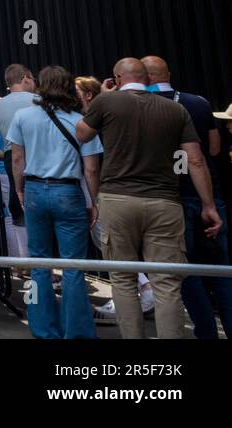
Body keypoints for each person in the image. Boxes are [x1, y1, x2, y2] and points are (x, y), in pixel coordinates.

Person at [77, 57, 221, 339]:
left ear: (117, 79)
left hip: (117, 200)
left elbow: (82, 134)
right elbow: (196, 160)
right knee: (167, 282)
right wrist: (209, 205)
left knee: (122, 278)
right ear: (148, 79)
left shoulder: (107, 102)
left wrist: (103, 99)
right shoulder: (175, 109)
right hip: (164, 202)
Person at [7, 66, 103, 339]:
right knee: (73, 266)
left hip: (35, 189)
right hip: (68, 192)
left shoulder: (23, 117)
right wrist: (93, 201)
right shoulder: (80, 121)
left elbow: (17, 159)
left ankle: (42, 328)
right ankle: (77, 332)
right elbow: (91, 169)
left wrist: (20, 189)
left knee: (40, 264)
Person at [141, 55, 232, 339]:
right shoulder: (199, 102)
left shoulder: (142, 108)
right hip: (208, 193)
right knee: (221, 268)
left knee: (183, 269)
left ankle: (205, 332)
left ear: (144, 77)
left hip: (170, 197)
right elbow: (214, 150)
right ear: (168, 72)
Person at [0, 64, 38, 259]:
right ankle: (52, 267)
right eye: (33, 78)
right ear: (26, 77)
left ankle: (28, 264)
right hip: (41, 160)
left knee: (19, 214)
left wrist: (8, 156)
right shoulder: (40, 101)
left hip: (11, 163)